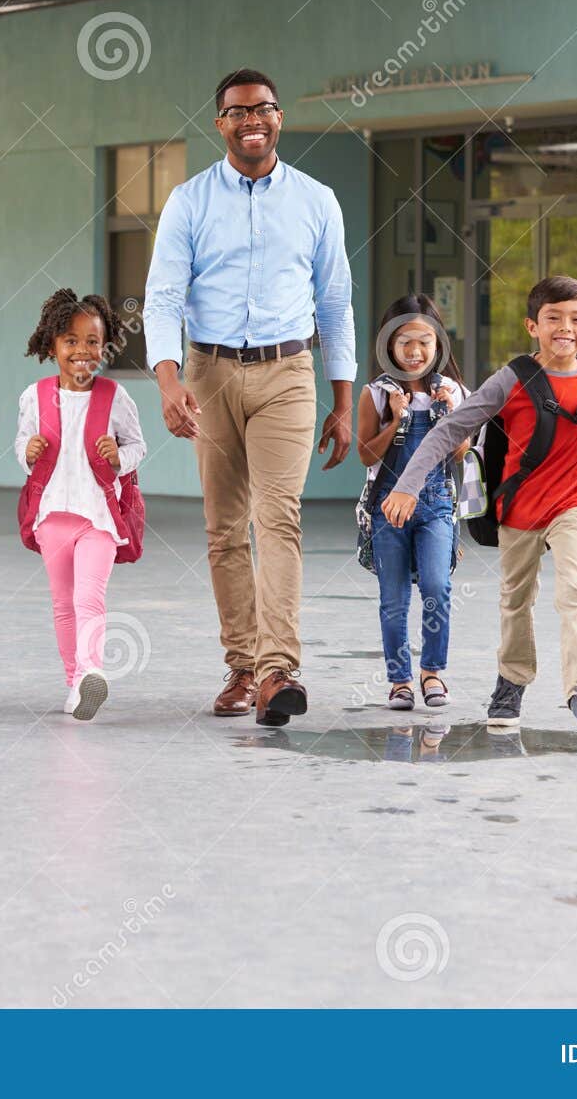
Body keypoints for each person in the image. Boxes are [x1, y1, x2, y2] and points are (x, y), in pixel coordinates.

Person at [142, 67, 356, 727]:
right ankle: (240, 664)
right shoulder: (190, 199)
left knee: (278, 518)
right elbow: (163, 295)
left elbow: (335, 303)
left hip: (288, 373)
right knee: (224, 528)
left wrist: (343, 400)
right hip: (208, 373)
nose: (251, 120)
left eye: (262, 109)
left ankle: (276, 670)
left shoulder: (317, 200)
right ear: (221, 122)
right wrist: (169, 379)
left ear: (279, 117)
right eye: (237, 112)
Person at [382, 276, 577, 744]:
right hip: (518, 508)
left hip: (574, 503)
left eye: (575, 319)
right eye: (553, 318)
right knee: (516, 600)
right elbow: (451, 430)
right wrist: (408, 485)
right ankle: (511, 684)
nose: (564, 327)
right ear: (533, 325)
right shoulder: (512, 378)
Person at [15, 289, 147, 722]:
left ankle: (92, 671)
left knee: (90, 596)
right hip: (52, 515)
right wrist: (28, 450)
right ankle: (74, 684)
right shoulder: (34, 396)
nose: (82, 350)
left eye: (93, 341)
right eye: (70, 341)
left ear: (105, 344)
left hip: (99, 517)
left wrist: (119, 456)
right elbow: (22, 443)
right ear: (51, 345)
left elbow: (137, 446)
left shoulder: (114, 397)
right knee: (62, 601)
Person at [355, 294, 469, 711]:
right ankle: (399, 680)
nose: (415, 350)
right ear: (389, 344)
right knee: (394, 597)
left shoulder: (452, 391)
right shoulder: (377, 393)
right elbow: (366, 455)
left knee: (438, 585)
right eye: (405, 341)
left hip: (437, 503)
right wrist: (397, 420)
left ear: (438, 344)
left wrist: (449, 416)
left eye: (425, 341)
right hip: (387, 506)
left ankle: (432, 672)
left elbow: (460, 455)